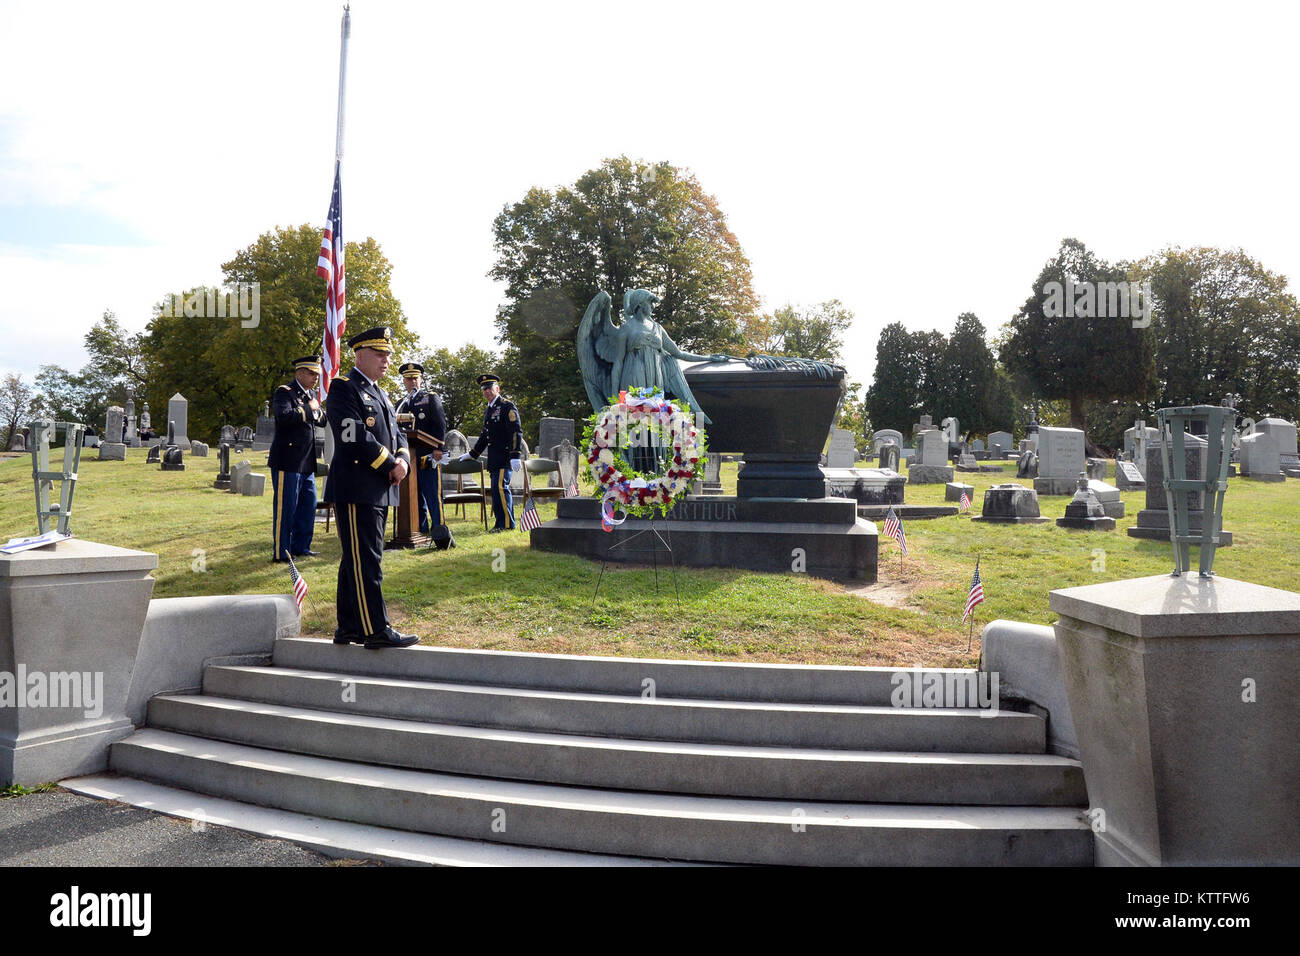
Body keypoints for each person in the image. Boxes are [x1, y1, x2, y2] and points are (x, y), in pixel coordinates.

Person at [322, 326, 420, 649]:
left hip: (377, 489)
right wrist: (390, 463)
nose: (387, 361)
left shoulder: (382, 394)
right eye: (380, 354)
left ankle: (348, 627)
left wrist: (403, 461)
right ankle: (376, 629)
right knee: (366, 560)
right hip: (356, 487)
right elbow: (353, 438)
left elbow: (400, 434)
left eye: (388, 355)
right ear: (359, 354)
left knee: (357, 558)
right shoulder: (343, 388)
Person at [268, 355, 327, 562]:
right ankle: (282, 553)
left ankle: (302, 547)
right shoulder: (285, 392)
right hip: (288, 461)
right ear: (300, 372)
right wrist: (308, 409)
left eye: (317, 375)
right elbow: (284, 417)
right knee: (286, 510)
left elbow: (323, 419)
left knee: (307, 507)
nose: (316, 378)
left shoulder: (311, 395)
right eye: (312, 373)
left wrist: (313, 410)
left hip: (306, 462)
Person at [394, 361, 454, 549]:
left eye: (414, 378)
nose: (411, 382)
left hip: (428, 455)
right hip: (409, 457)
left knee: (432, 494)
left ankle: (440, 529)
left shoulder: (430, 398)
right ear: (403, 381)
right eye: (408, 379)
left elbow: (439, 423)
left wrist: (438, 446)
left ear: (421, 380)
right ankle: (419, 528)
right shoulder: (401, 404)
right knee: (414, 496)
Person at [460, 373, 523, 531]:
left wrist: (515, 455)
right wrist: (472, 454)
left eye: (489, 388)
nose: (487, 391)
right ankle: (500, 523)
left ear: (497, 388)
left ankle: (507, 524)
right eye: (484, 389)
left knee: (501, 489)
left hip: (505, 457)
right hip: (494, 458)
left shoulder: (507, 406)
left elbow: (515, 431)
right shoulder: (489, 409)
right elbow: (485, 436)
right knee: (496, 491)